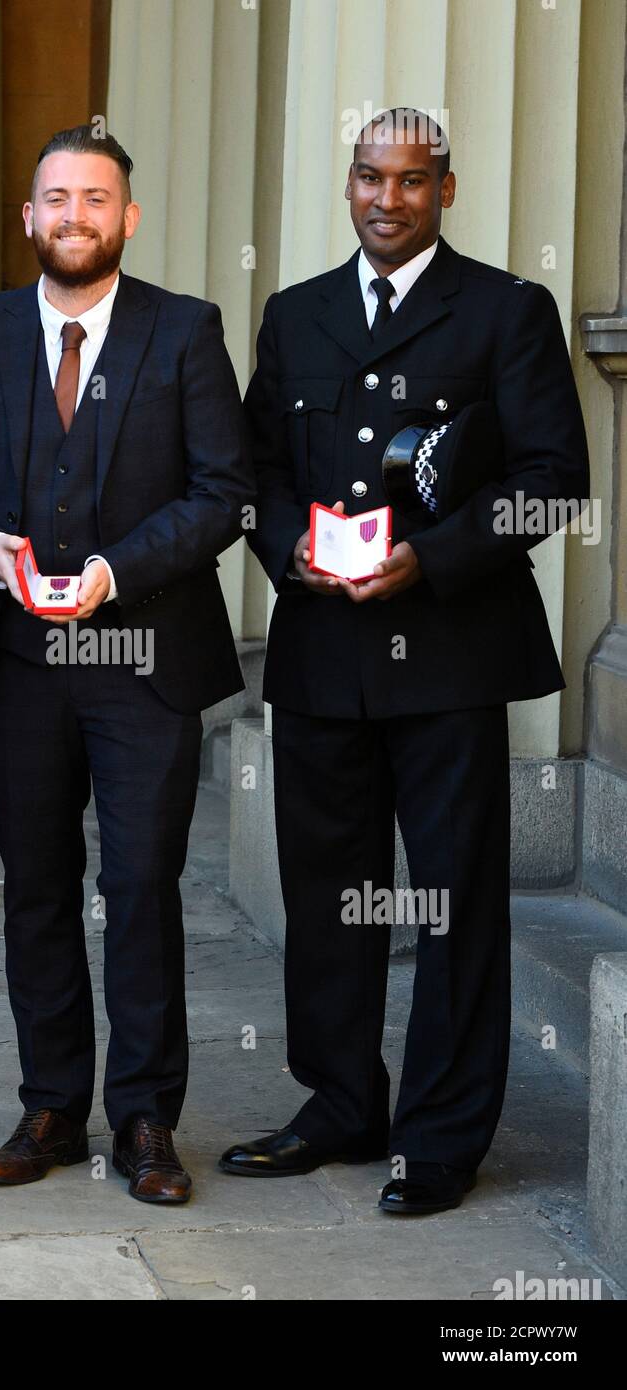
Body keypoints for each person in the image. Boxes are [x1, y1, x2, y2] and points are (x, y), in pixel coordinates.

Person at [220, 109, 589, 1214]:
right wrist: (283, 538)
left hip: (451, 654)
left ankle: (440, 1136)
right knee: (326, 894)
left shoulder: (507, 311)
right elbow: (252, 468)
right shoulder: (296, 315)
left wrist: (427, 558)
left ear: (447, 188)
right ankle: (340, 1101)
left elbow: (550, 479)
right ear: (349, 184)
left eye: (413, 181)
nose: (389, 199)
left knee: (454, 901)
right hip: (326, 648)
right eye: (371, 178)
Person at [0, 125, 253, 1204]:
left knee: (141, 885)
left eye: (96, 199)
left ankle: (146, 1118)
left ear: (127, 219)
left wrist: (110, 571)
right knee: (36, 886)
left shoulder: (186, 332)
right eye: (56, 198)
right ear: (29, 217)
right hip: (15, 658)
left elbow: (223, 492)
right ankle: (52, 1104)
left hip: (144, 658)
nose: (74, 216)